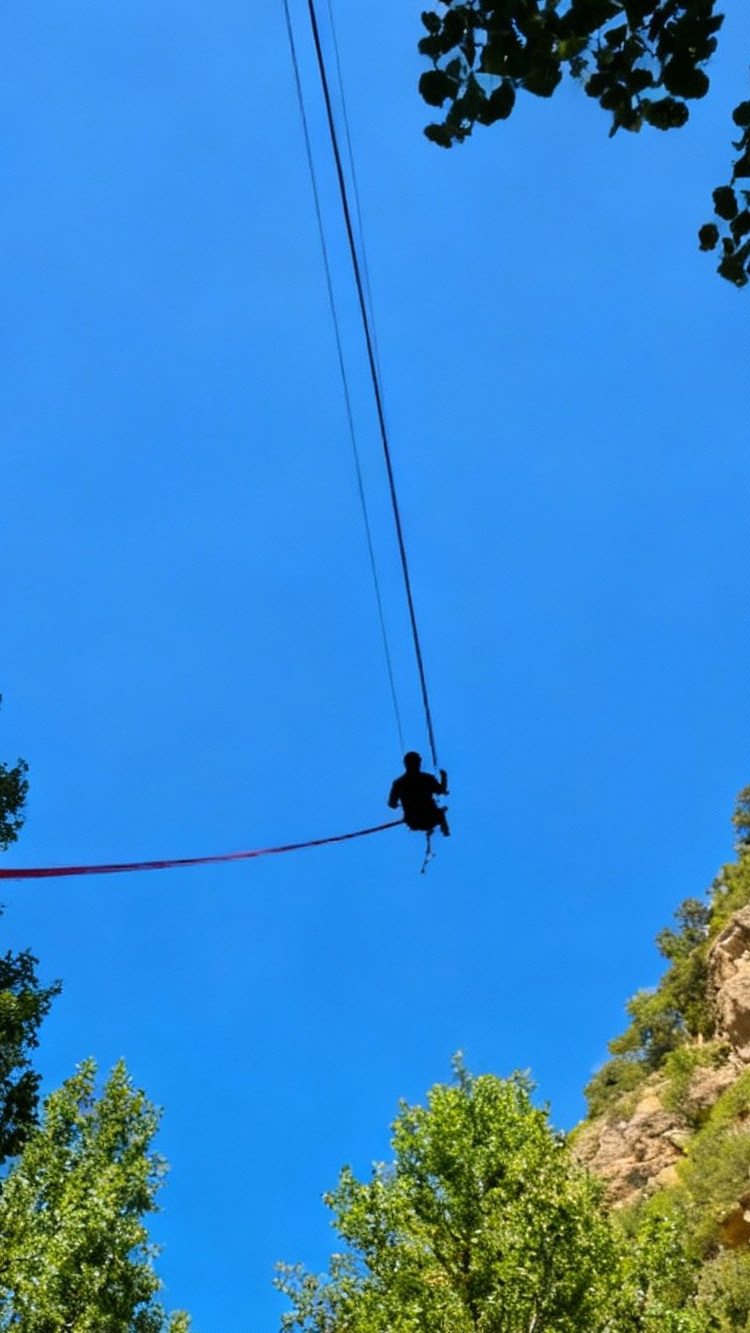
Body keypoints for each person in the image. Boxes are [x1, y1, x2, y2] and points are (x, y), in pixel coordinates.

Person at [388, 752, 450, 837]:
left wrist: (399, 804)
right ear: (419, 763)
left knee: (439, 813)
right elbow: (441, 790)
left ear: (405, 764)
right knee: (441, 815)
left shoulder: (398, 783)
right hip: (431, 817)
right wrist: (444, 777)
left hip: (413, 822)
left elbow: (392, 804)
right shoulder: (427, 778)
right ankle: (446, 833)